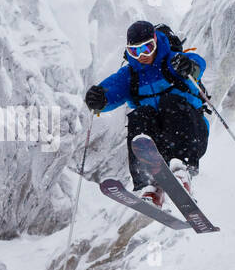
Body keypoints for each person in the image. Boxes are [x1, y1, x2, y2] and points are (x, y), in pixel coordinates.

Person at [84, 20, 209, 207]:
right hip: (159, 141)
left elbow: (198, 63)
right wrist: (98, 98)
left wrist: (188, 67)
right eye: (135, 51)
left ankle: (182, 171)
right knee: (140, 114)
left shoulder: (173, 62)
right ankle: (150, 184)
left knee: (171, 102)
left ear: (156, 42)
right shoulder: (130, 75)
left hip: (191, 135)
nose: (142, 56)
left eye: (147, 48)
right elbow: (110, 90)